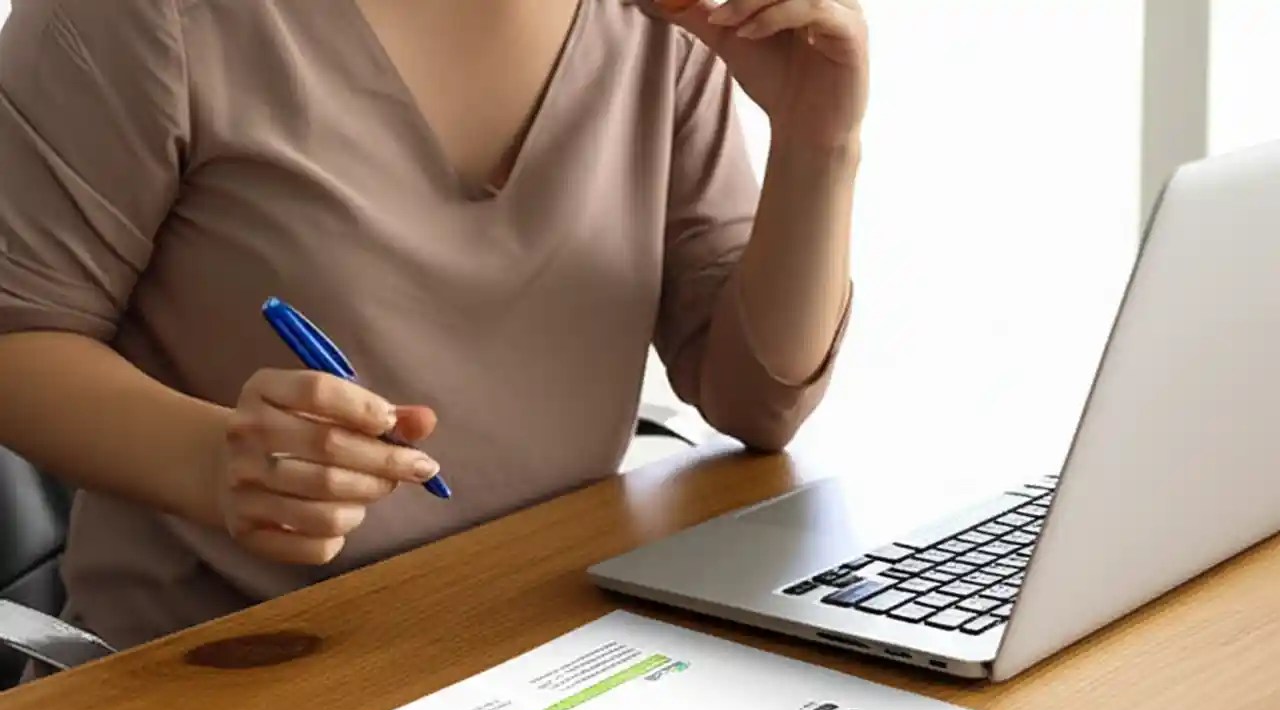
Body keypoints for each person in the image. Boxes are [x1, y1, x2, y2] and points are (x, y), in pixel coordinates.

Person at [0, 0, 868, 670]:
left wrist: (817, 138)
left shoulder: (661, 25)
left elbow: (757, 398)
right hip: (237, 663)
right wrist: (211, 461)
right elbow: (19, 337)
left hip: (561, 647)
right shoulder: (148, 18)